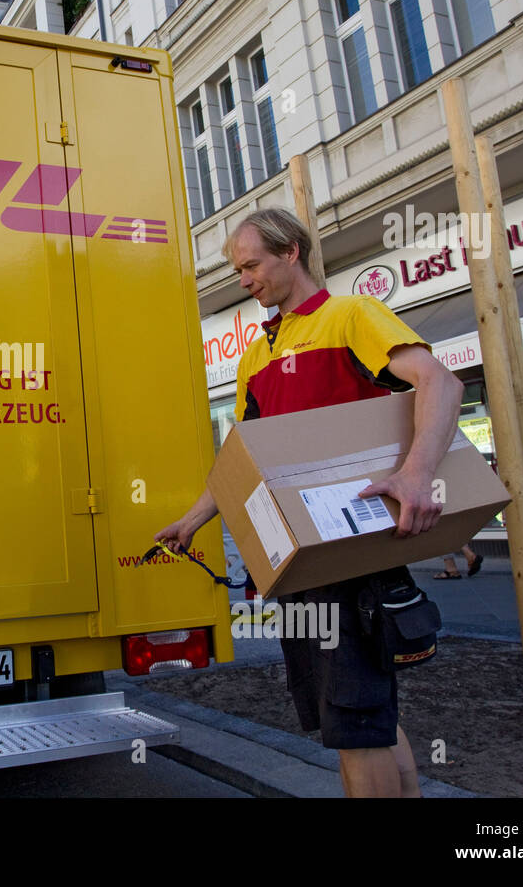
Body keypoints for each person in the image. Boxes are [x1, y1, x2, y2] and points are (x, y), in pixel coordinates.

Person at [155, 208, 463, 798]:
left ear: (291, 251)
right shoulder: (255, 356)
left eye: (251, 265)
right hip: (302, 558)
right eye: (237, 270)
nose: (243, 280)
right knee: (362, 716)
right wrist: (192, 520)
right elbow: (244, 458)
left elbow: (440, 382)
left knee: (354, 726)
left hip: (352, 551)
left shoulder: (350, 315)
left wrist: (417, 476)